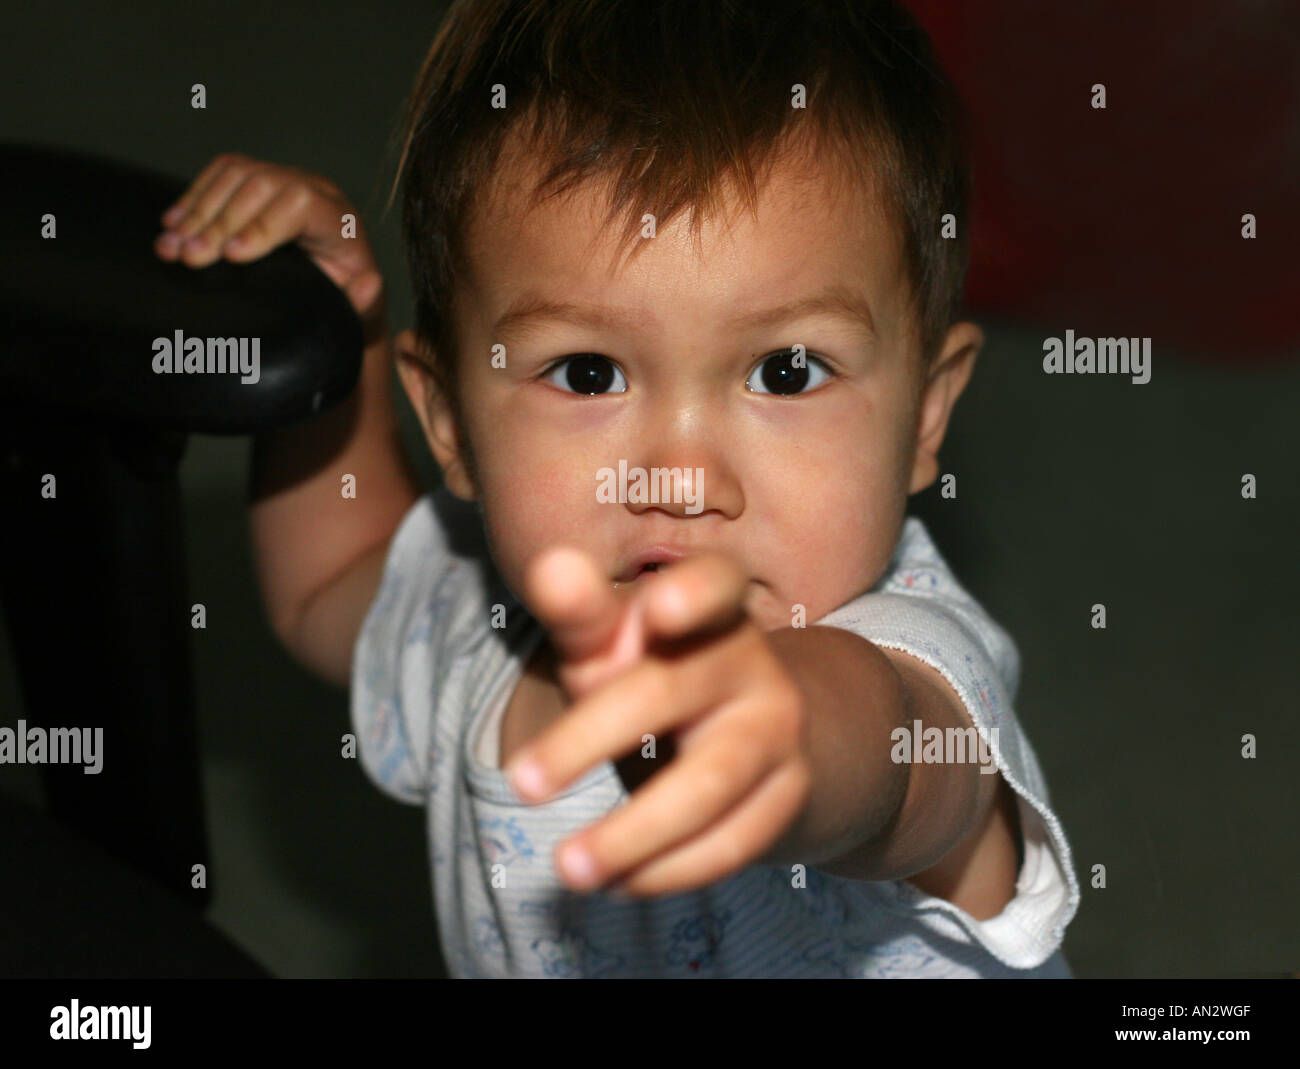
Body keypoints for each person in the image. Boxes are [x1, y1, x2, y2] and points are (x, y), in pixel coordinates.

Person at [155, 0, 1078, 978]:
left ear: (924, 417)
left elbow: (903, 776)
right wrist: (331, 341)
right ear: (451, 424)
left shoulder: (912, 662)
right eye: (589, 373)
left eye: (786, 372)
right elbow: (330, 580)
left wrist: (785, 732)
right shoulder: (484, 628)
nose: (680, 478)